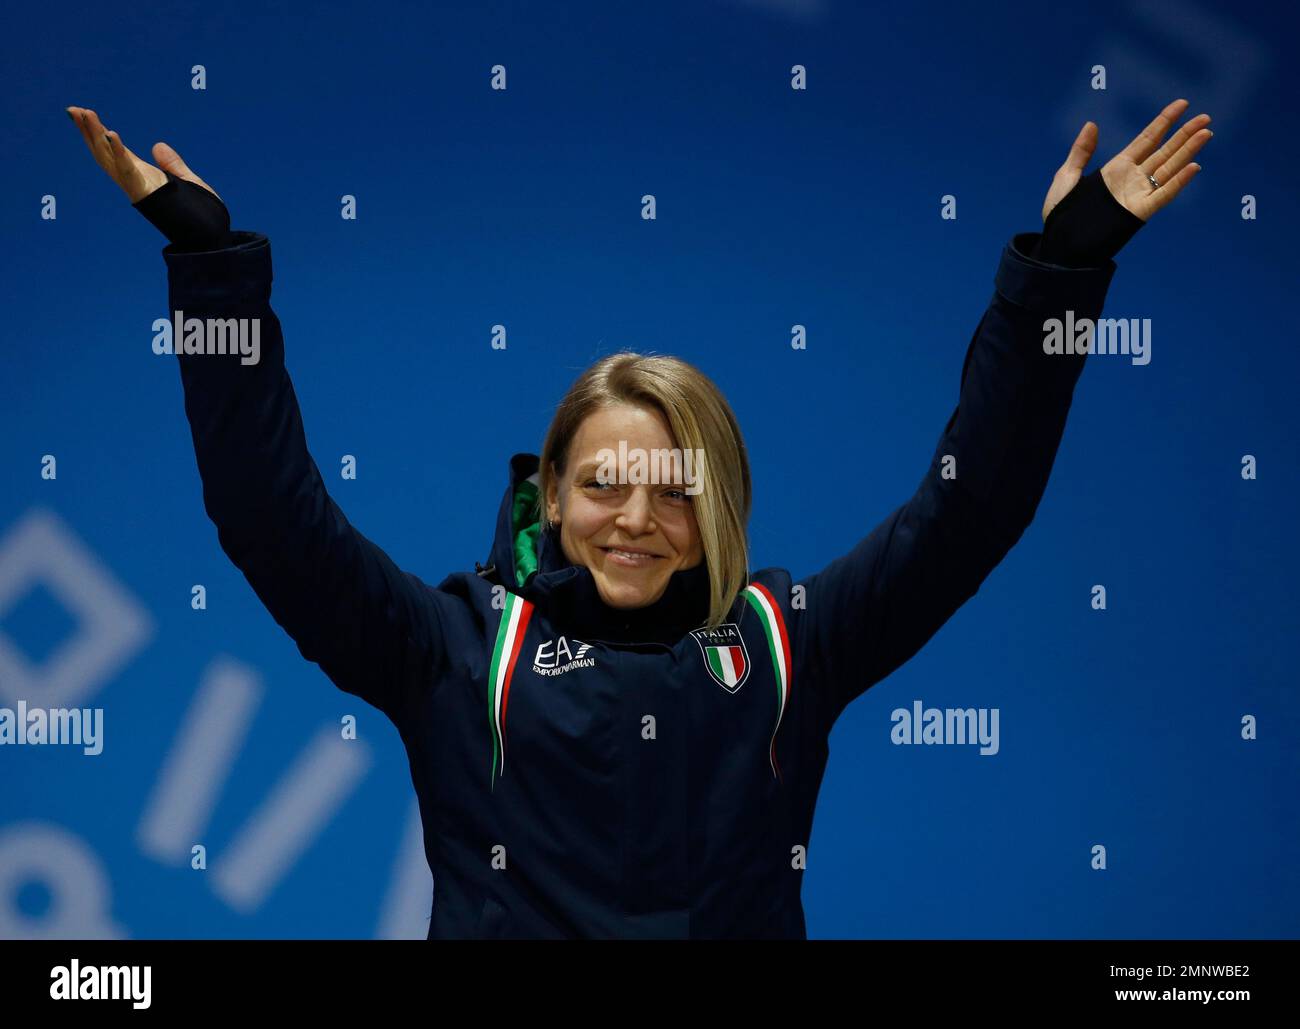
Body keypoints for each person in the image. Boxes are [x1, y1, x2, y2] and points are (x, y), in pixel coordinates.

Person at [66, 99, 1211, 938]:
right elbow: (270, 518)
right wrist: (212, 274)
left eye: (675, 488)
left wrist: (1058, 278)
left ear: (717, 508)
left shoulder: (787, 641)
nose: (636, 518)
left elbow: (978, 506)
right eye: (605, 483)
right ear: (551, 493)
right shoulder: (451, 650)